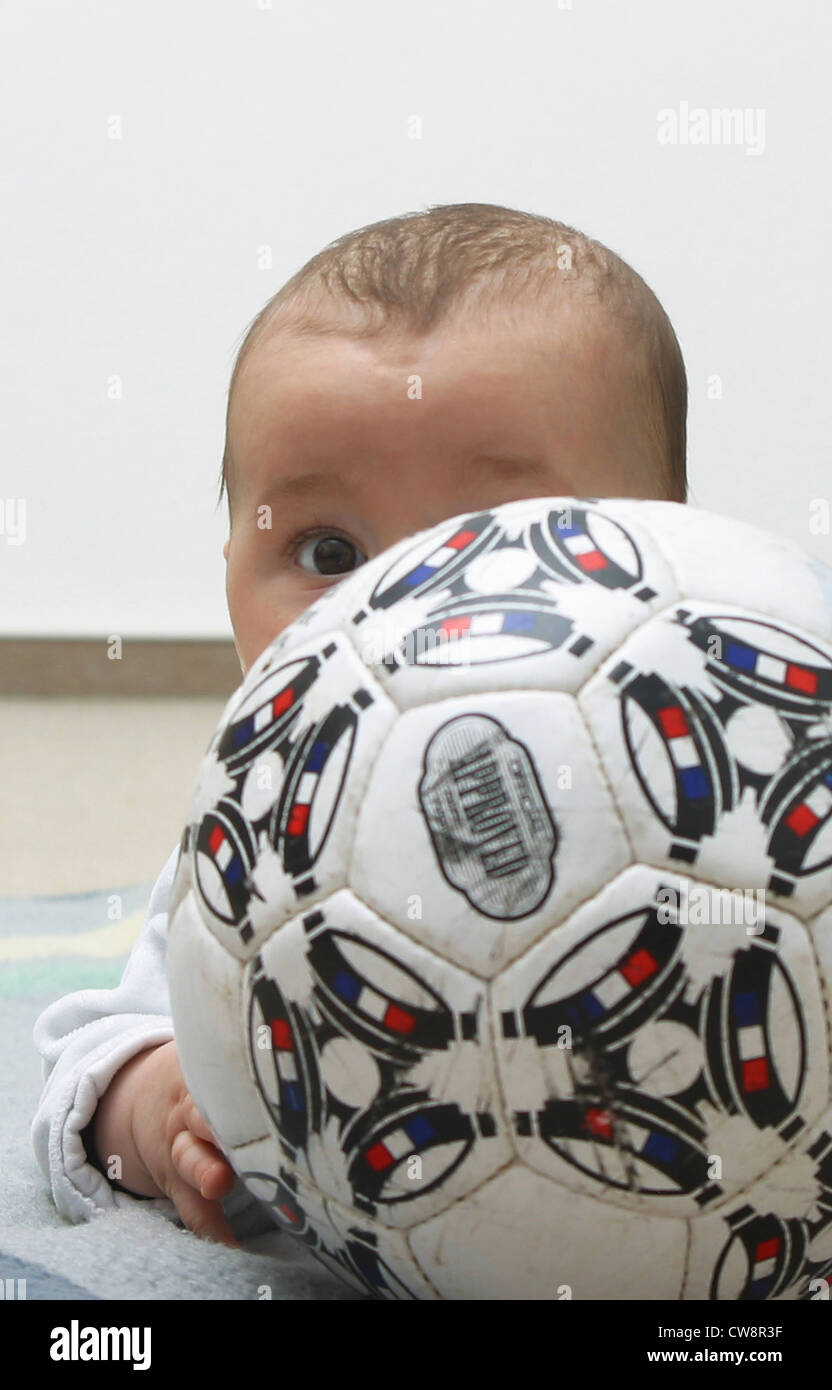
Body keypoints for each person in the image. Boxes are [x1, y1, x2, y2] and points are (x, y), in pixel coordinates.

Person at [32, 201, 688, 1250]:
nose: (394, 614)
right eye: (330, 553)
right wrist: (154, 1106)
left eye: (492, 542)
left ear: (673, 561)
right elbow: (87, 1057)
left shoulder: (730, 806)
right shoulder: (258, 846)